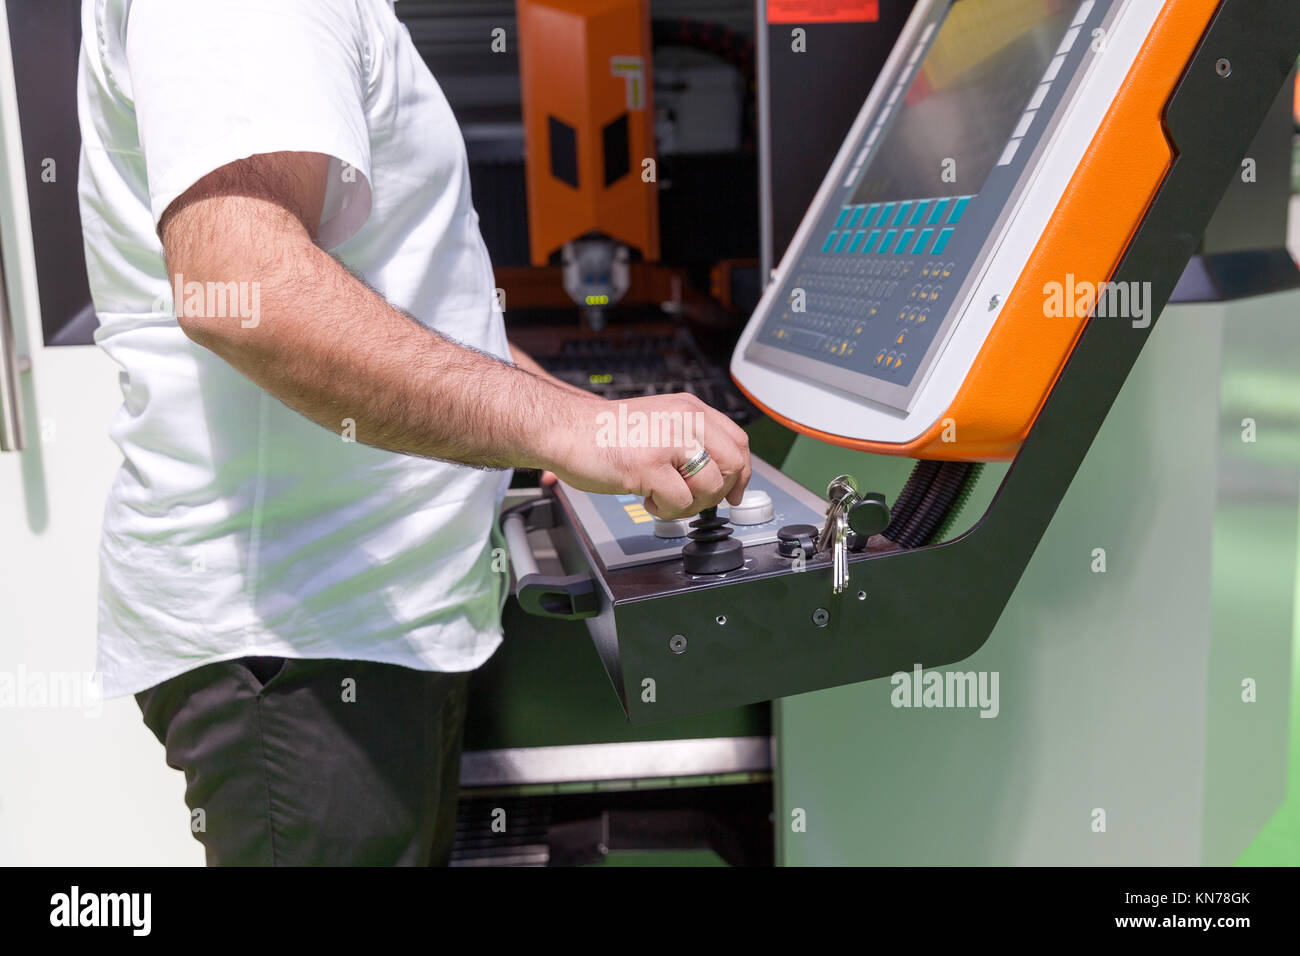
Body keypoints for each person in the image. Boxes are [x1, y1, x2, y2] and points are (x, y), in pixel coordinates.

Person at [76, 0, 750, 865]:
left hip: (360, 625)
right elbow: (245, 293)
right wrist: (569, 426)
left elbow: (417, 301)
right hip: (302, 639)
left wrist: (571, 426)